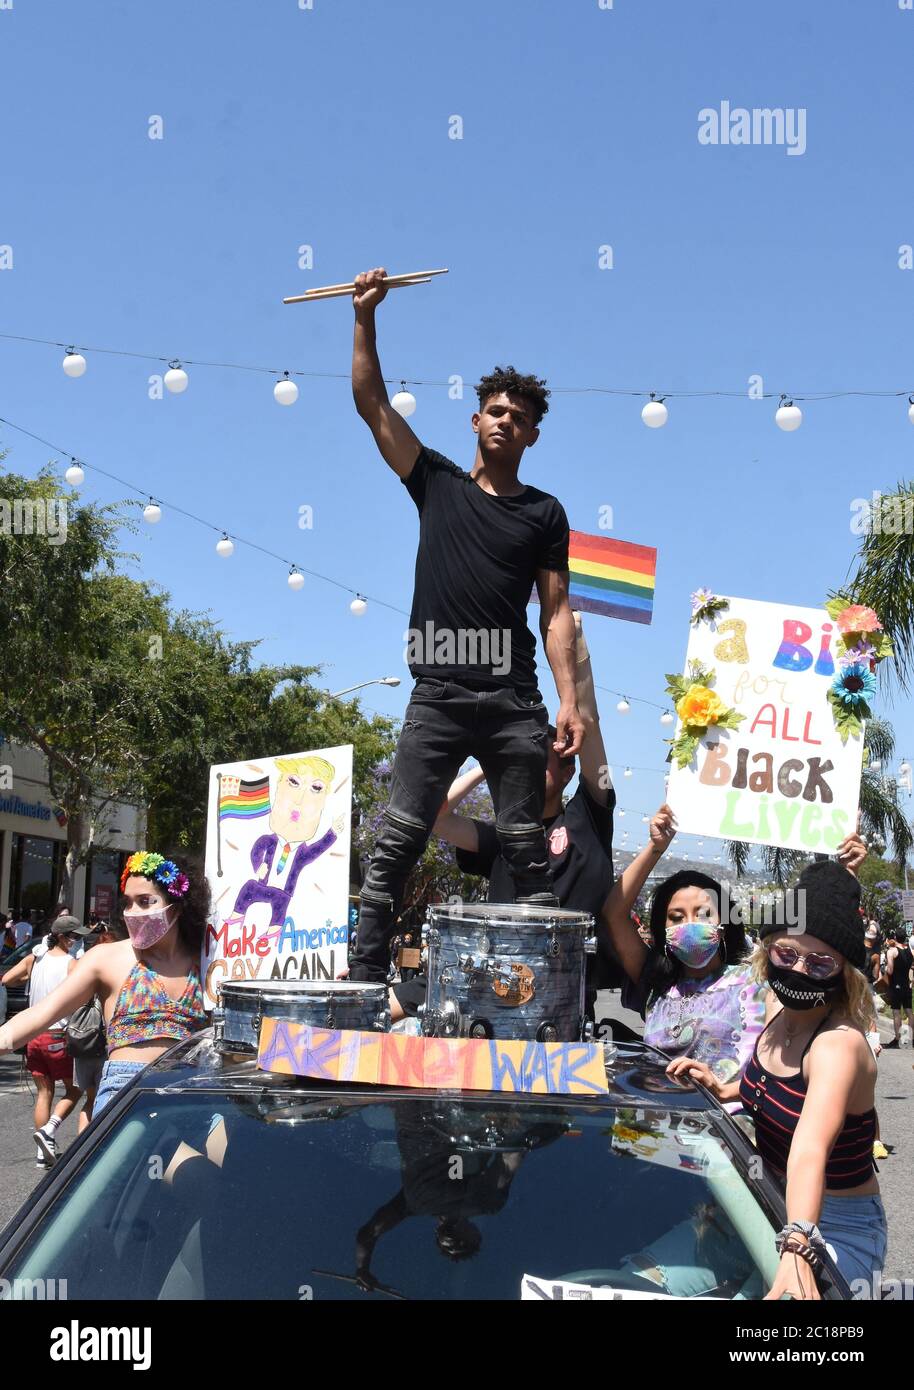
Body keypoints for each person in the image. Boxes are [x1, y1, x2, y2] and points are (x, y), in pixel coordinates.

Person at [347, 267, 583, 984]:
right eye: (494, 411)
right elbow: (371, 401)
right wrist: (365, 316)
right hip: (438, 690)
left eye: (519, 416)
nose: (505, 421)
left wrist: (570, 700)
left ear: (533, 434)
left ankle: (544, 991)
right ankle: (362, 980)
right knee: (398, 839)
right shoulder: (436, 482)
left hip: (514, 700)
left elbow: (557, 612)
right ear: (474, 421)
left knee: (524, 844)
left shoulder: (545, 513)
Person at [668, 861, 887, 1300]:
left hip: (837, 1224)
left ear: (843, 973)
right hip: (771, 1198)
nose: (800, 970)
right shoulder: (776, 1009)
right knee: (650, 1279)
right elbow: (770, 1091)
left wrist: (798, 1244)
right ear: (767, 949)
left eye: (821, 962)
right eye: (786, 954)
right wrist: (724, 1087)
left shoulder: (837, 1045)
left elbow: (809, 1148)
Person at [390, 610, 616, 1022]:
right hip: (492, 999)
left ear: (567, 766)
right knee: (383, 1006)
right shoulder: (502, 837)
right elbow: (438, 815)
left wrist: (577, 652)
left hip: (560, 1008)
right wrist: (487, 757)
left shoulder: (590, 816)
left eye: (538, 758)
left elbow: (591, 723)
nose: (525, 764)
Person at [601, 815, 867, 1091]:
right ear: (662, 929)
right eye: (677, 917)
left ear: (724, 924)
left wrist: (846, 874)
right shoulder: (656, 983)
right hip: (663, 1123)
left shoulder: (756, 980)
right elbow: (614, 913)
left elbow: (820, 937)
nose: (690, 924)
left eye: (704, 914)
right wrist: (656, 847)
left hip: (734, 1124)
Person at [0, 850, 209, 1122]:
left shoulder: (207, 961)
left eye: (145, 902)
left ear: (178, 908)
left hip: (192, 1096)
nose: (132, 913)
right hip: (127, 1101)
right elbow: (41, 1013)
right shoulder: (106, 958)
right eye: (128, 903)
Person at [0, 916, 90, 1166]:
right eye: (74, 936)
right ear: (61, 937)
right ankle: (49, 1130)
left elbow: (7, 979)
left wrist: (29, 976)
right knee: (76, 1089)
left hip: (33, 1036)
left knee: (44, 1092)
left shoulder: (35, 958)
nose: (77, 941)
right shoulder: (72, 964)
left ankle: (42, 1152)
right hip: (59, 1035)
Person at [882, 925, 914, 1048]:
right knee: (909, 1012)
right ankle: (911, 1039)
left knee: (896, 1012)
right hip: (906, 984)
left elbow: (890, 971)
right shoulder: (910, 951)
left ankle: (897, 1039)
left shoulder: (892, 951)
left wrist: (884, 967)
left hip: (896, 985)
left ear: (895, 938)